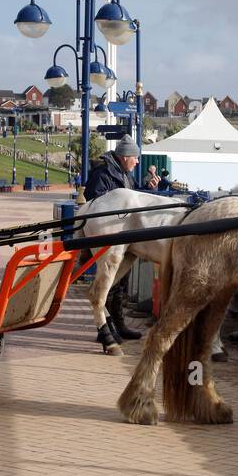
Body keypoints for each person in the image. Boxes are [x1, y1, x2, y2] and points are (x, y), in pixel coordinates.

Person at [84, 137, 143, 341]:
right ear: (125, 157)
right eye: (135, 157)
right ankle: (107, 327)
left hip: (122, 234)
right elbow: (95, 201)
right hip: (109, 233)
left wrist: (150, 190)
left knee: (119, 284)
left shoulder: (125, 174)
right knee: (109, 281)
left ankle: (117, 325)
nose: (137, 161)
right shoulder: (104, 173)